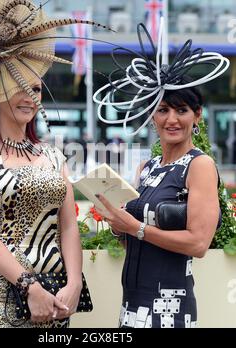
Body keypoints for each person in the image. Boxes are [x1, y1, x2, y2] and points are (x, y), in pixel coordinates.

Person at [0, 0, 106, 328]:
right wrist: (29, 286)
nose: (30, 96)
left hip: (55, 299)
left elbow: (68, 225)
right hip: (1, 298)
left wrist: (73, 283)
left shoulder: (55, 156)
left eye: (37, 88)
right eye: (20, 87)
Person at [92, 21, 228, 328]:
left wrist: (137, 227)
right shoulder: (146, 168)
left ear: (197, 115)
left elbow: (198, 244)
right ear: (152, 114)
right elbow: (136, 240)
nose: (172, 119)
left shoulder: (199, 165)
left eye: (181, 110)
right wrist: (118, 225)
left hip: (171, 306)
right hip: (132, 301)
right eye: (163, 109)